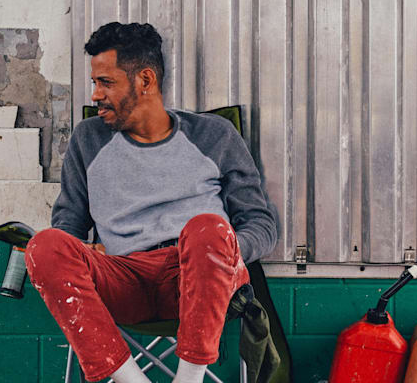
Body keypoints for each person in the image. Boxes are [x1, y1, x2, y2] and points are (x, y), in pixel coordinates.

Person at [25, 22, 279, 383]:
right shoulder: (88, 139)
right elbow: (68, 226)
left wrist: (224, 252)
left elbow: (261, 224)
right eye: (95, 83)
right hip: (125, 278)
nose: (95, 94)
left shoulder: (214, 135)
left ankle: (189, 379)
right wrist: (83, 248)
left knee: (207, 227)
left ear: (145, 80)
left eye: (106, 82)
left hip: (199, 273)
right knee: (45, 245)